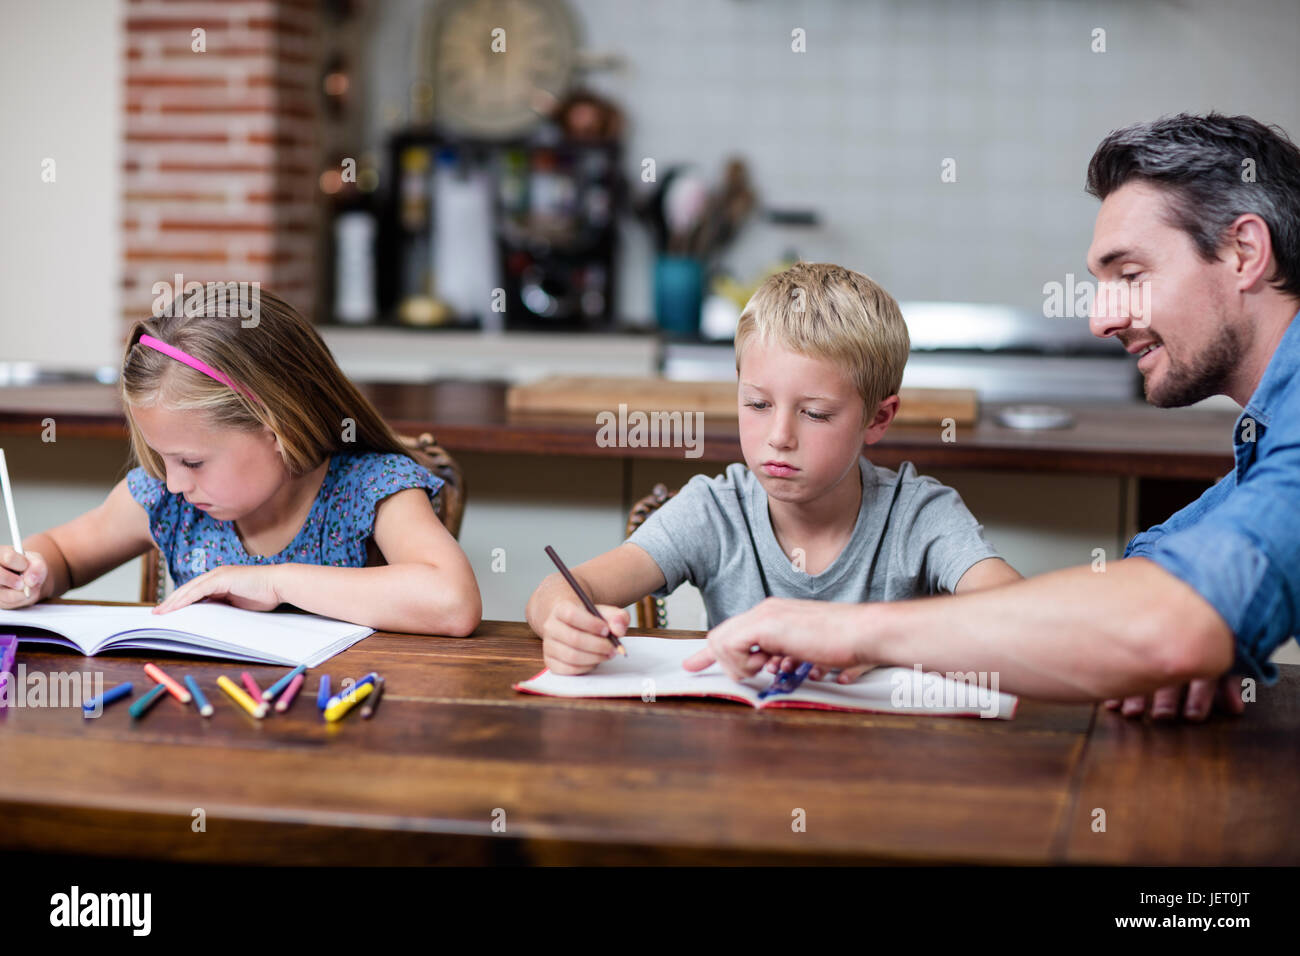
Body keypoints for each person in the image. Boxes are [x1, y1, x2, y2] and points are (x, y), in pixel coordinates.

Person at [685, 113, 1300, 721]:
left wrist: (853, 631)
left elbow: (1166, 626)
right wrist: (1140, 633)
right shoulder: (1273, 429)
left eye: (1131, 275)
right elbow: (1154, 586)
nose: (1101, 319)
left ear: (1244, 251)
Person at [526, 261, 1020, 675]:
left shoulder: (918, 515)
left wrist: (876, 642)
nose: (779, 437)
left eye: (816, 414)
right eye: (758, 405)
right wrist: (565, 622)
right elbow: (561, 591)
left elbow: (1019, 615)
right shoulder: (716, 511)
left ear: (878, 418)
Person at [0, 286, 482, 636]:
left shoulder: (370, 488)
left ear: (278, 430)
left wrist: (274, 581)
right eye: (164, 460)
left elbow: (452, 602)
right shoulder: (164, 498)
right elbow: (61, 553)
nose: (172, 484)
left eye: (191, 461)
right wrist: (32, 571)